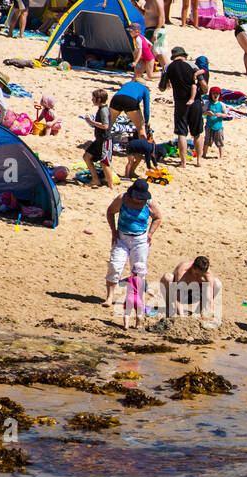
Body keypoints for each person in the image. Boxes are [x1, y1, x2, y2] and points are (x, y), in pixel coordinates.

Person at [104, 180, 160, 309]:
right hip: (122, 237)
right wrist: (113, 231)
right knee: (115, 265)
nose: (138, 200)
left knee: (139, 270)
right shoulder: (122, 199)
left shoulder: (148, 203)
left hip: (140, 240)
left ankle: (137, 298)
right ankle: (109, 297)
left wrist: (150, 234)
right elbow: (110, 212)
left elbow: (157, 217)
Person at [159, 46, 203, 168]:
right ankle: (199, 161)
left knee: (182, 133)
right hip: (196, 102)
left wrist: (168, 82)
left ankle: (183, 162)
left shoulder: (167, 67)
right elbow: (203, 84)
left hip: (180, 103)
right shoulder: (192, 65)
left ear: (173, 57)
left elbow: (162, 88)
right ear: (184, 55)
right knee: (197, 133)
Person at [82, 89, 116, 188]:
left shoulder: (104, 110)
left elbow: (105, 126)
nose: (92, 100)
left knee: (104, 163)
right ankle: (95, 180)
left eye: (93, 98)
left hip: (105, 141)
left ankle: (111, 186)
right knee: (86, 156)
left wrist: (91, 122)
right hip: (99, 140)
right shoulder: (102, 109)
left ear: (99, 99)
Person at [203, 89, 228, 160]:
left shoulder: (221, 104)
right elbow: (203, 112)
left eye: (217, 93)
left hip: (218, 126)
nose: (215, 95)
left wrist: (220, 114)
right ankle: (204, 154)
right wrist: (207, 113)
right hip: (209, 126)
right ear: (211, 95)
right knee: (207, 140)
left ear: (219, 95)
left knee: (220, 141)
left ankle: (221, 156)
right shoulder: (208, 104)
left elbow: (226, 115)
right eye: (214, 93)